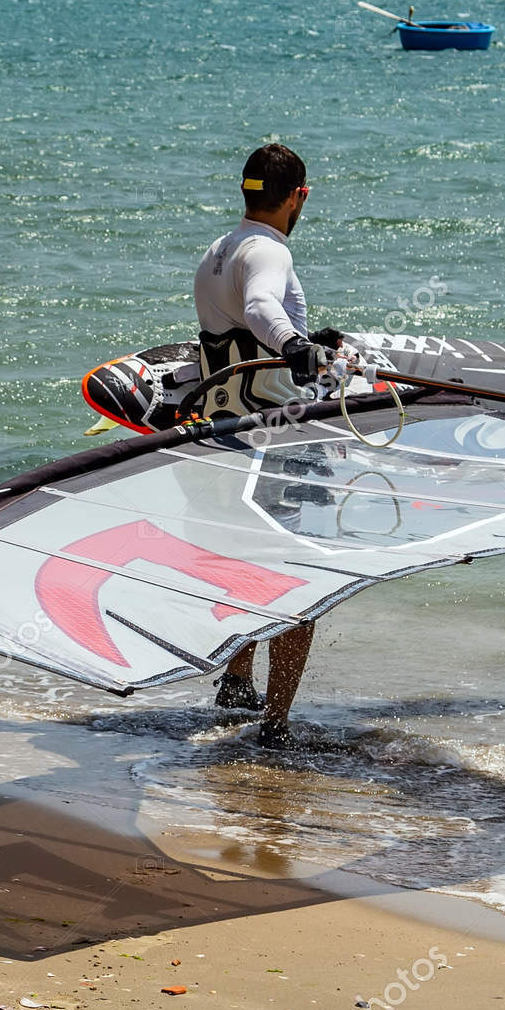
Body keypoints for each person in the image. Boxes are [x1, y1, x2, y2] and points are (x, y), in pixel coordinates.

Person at [193, 143, 340, 748]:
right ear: (298, 196)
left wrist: (306, 339)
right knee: (299, 578)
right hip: (274, 437)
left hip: (225, 432)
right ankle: (276, 726)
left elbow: (241, 327)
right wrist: (297, 347)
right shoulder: (268, 250)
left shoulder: (219, 249)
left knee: (248, 562)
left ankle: (235, 681)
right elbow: (258, 308)